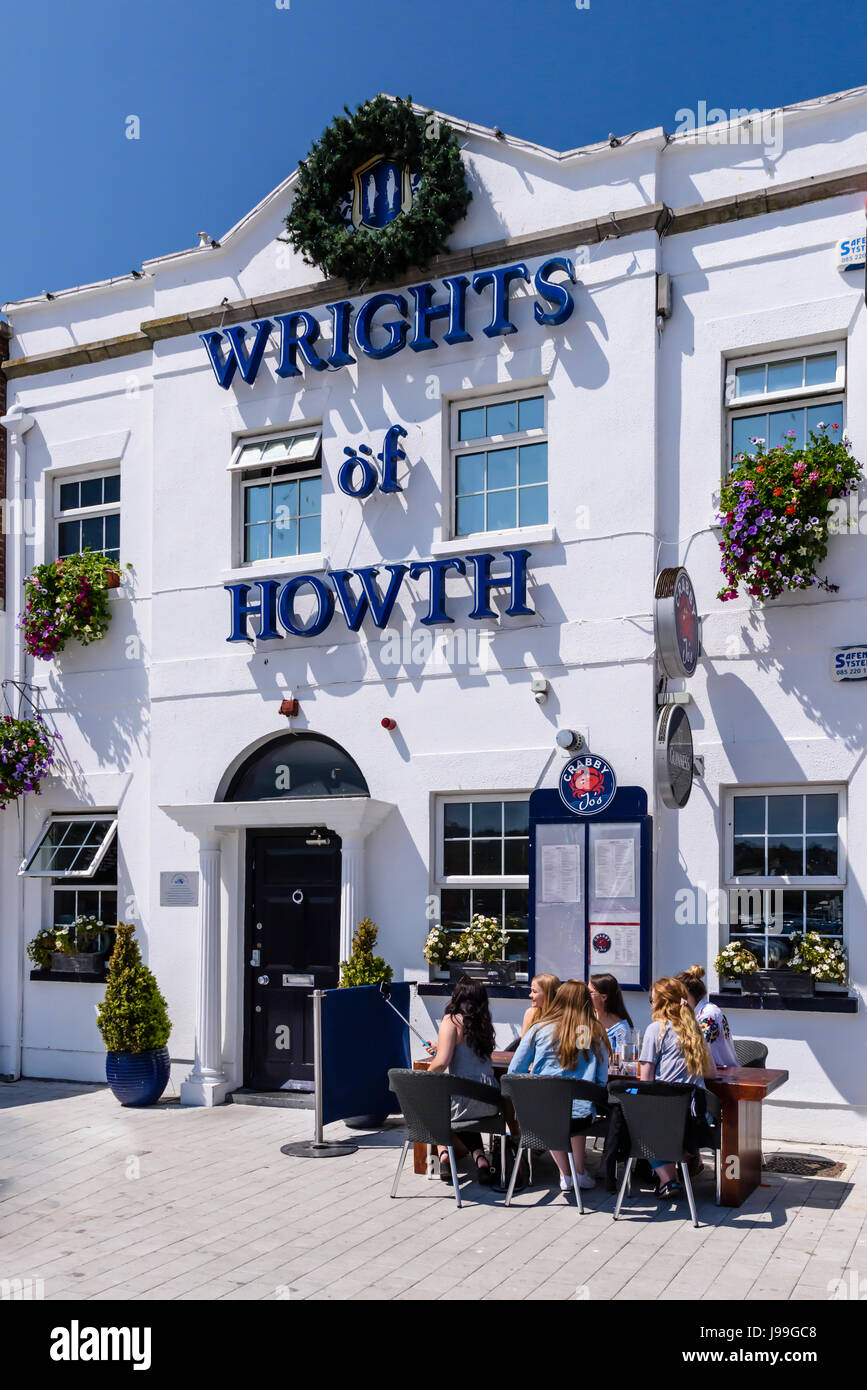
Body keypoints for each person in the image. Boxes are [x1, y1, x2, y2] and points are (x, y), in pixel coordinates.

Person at [507, 979, 610, 1192]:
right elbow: (600, 1078)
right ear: (585, 1002)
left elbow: (515, 1070)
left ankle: (566, 1173)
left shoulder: (540, 1028)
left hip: (540, 1112)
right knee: (576, 1107)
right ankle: (578, 1172)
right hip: (580, 1114)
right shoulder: (590, 1031)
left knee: (552, 1111)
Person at [638, 976, 717, 1200]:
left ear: (660, 1003)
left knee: (633, 1123)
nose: (651, 1005)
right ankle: (674, 1175)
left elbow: (646, 1079)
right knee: (662, 1126)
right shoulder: (694, 1029)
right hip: (697, 1115)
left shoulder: (656, 1029)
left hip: (669, 1111)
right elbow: (712, 1073)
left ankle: (667, 1179)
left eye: (651, 1001)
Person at [425, 977, 500, 1186]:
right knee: (461, 1109)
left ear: (457, 996)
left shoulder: (450, 1020)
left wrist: (424, 1079)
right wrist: (440, 1045)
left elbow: (441, 1063)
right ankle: (480, 1158)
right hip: (489, 1098)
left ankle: (443, 1154)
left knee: (435, 1103)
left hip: (463, 1099)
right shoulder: (483, 1022)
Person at [676, 965, 739, 1069]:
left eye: (675, 993)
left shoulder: (708, 1014)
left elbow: (700, 1051)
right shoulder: (695, 1011)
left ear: (684, 993)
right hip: (710, 1072)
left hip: (722, 1074)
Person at [589, 972, 634, 1057]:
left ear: (604, 997)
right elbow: (580, 1052)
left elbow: (623, 1060)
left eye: (590, 992)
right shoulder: (586, 1019)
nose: (586, 995)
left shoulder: (621, 1029)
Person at [520, 973, 561, 1037]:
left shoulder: (563, 1017)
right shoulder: (531, 1014)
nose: (530, 995)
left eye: (534, 991)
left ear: (548, 995)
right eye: (531, 991)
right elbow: (523, 1044)